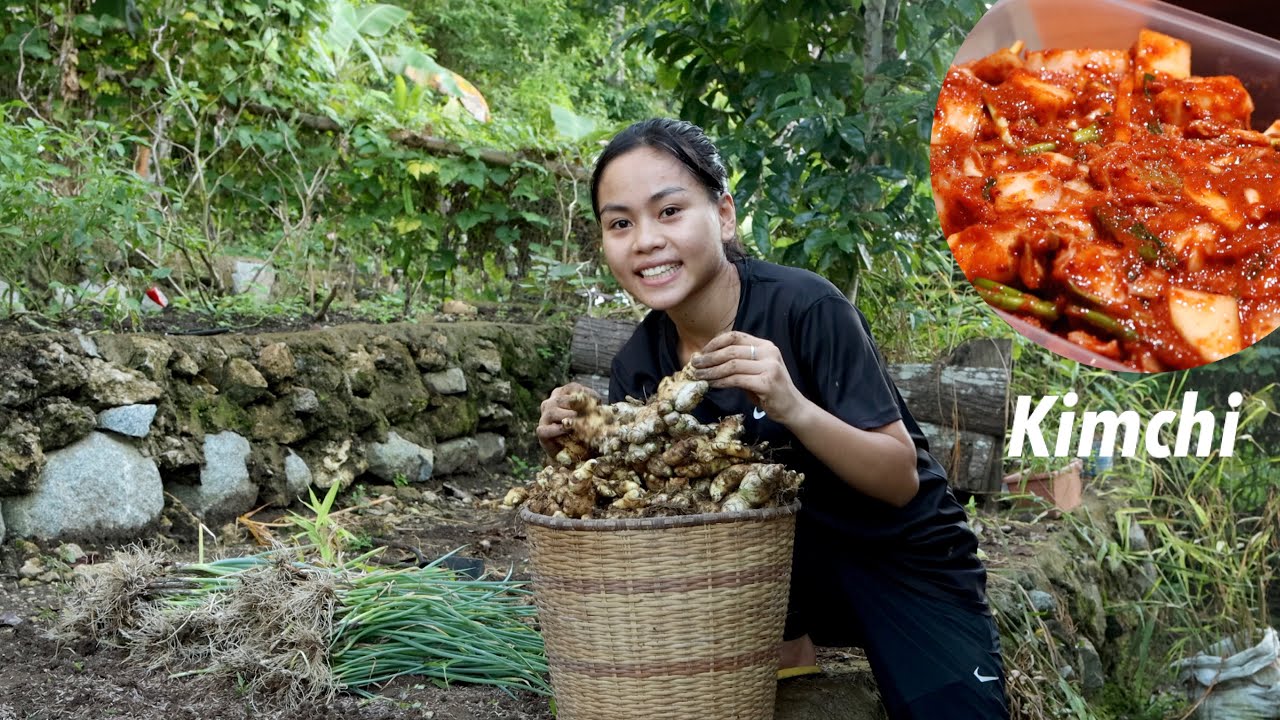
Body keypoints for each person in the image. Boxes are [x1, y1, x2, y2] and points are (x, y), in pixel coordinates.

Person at [536, 117, 1009, 719]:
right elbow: (643, 509)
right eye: (620, 223)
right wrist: (573, 450)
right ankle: (789, 638)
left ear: (725, 216)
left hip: (900, 561)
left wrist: (792, 406)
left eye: (670, 211)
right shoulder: (641, 362)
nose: (645, 240)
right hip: (767, 578)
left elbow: (899, 478)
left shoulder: (806, 309)